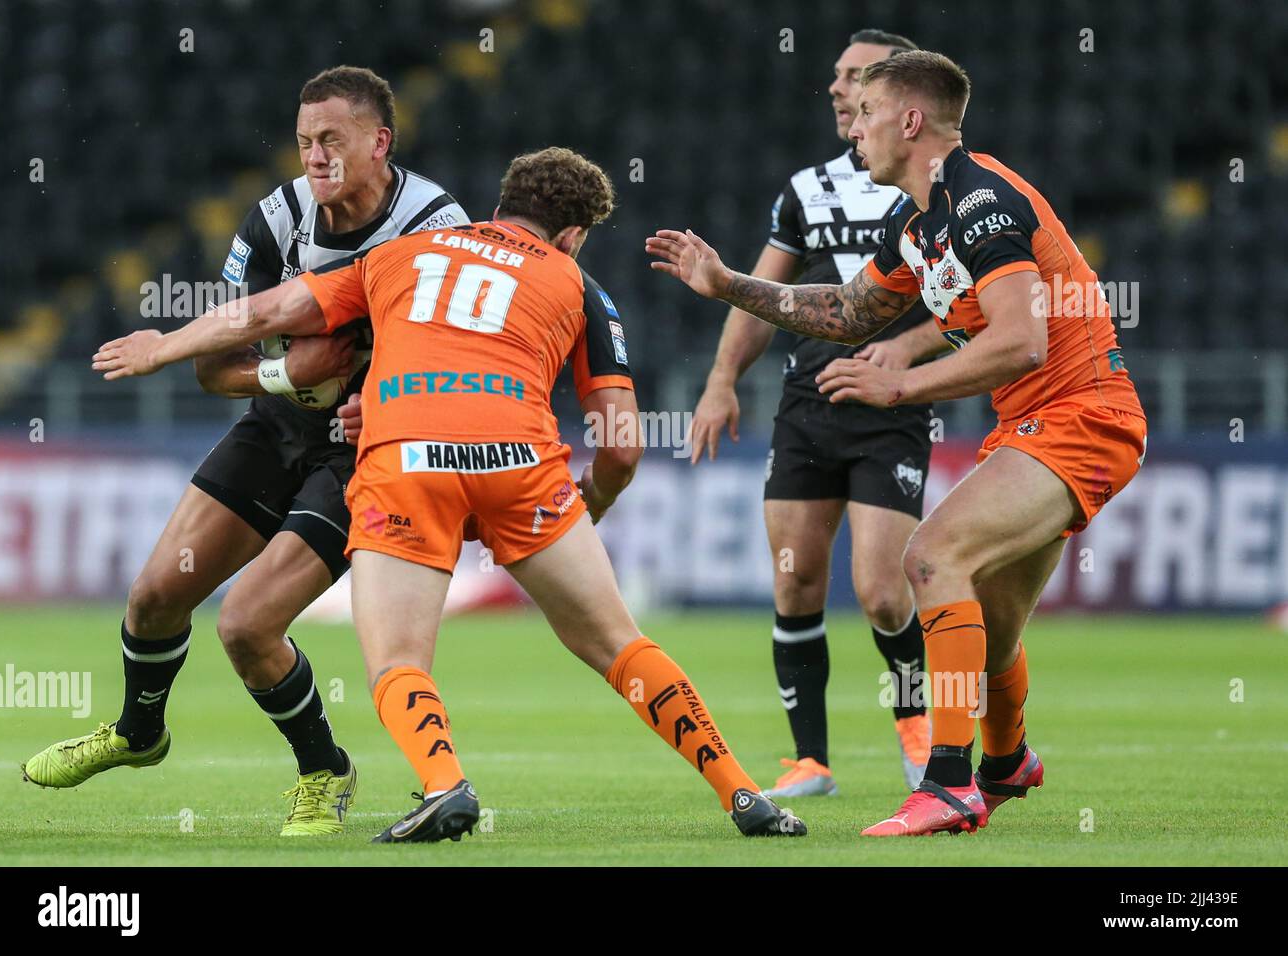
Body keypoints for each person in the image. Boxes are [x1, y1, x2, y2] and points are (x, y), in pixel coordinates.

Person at [91, 147, 807, 843]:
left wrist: (163, 346)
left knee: (399, 659)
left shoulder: (399, 255)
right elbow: (621, 442)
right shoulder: (580, 287)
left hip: (406, 459)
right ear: (573, 236)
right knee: (618, 644)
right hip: (519, 462)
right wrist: (592, 499)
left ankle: (445, 786)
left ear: (496, 209)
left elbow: (261, 315)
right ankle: (742, 791)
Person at [647, 50, 1147, 836]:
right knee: (990, 628)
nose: (857, 128)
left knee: (927, 559)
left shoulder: (983, 201)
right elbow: (847, 313)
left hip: (1083, 415)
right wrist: (729, 284)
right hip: (1037, 424)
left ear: (911, 120)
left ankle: (948, 785)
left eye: (870, 113)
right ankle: (1007, 760)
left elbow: (1022, 342)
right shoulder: (918, 222)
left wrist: (902, 385)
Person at [23, 66, 468, 837]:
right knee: (155, 597)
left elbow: (466, 361)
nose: (315, 159)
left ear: (380, 142)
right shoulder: (278, 217)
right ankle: (137, 733)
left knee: (247, 625)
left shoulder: (435, 227)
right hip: (280, 423)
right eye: (304, 143)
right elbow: (213, 366)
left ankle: (324, 770)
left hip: (365, 454)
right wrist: (288, 372)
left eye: (332, 141)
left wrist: (394, 403)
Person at [688, 28, 937, 797]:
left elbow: (970, 298)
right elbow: (762, 294)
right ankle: (811, 762)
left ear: (900, 101)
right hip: (808, 404)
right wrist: (723, 377)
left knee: (883, 591)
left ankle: (918, 730)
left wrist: (912, 350)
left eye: (856, 77)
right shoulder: (808, 190)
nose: (837, 89)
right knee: (794, 582)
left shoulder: (930, 186)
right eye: (834, 77)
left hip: (890, 406)